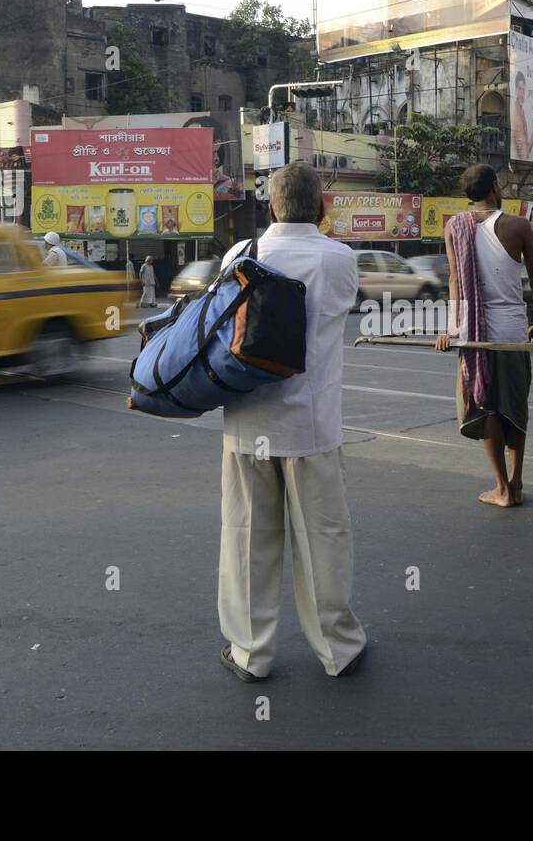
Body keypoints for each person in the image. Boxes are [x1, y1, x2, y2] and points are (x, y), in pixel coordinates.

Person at [217, 162, 366, 681]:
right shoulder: (340, 259)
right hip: (312, 425)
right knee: (323, 537)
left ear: (272, 206)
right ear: (321, 207)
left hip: (247, 421)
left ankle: (251, 654)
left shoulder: (240, 254)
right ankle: (337, 648)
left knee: (246, 538)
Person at [435, 164, 533, 507]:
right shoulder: (518, 226)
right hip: (513, 330)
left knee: (487, 409)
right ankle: (515, 484)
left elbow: (455, 280)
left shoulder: (454, 227)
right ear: (495, 188)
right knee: (514, 407)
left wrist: (453, 329)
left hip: (474, 333)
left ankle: (501, 488)